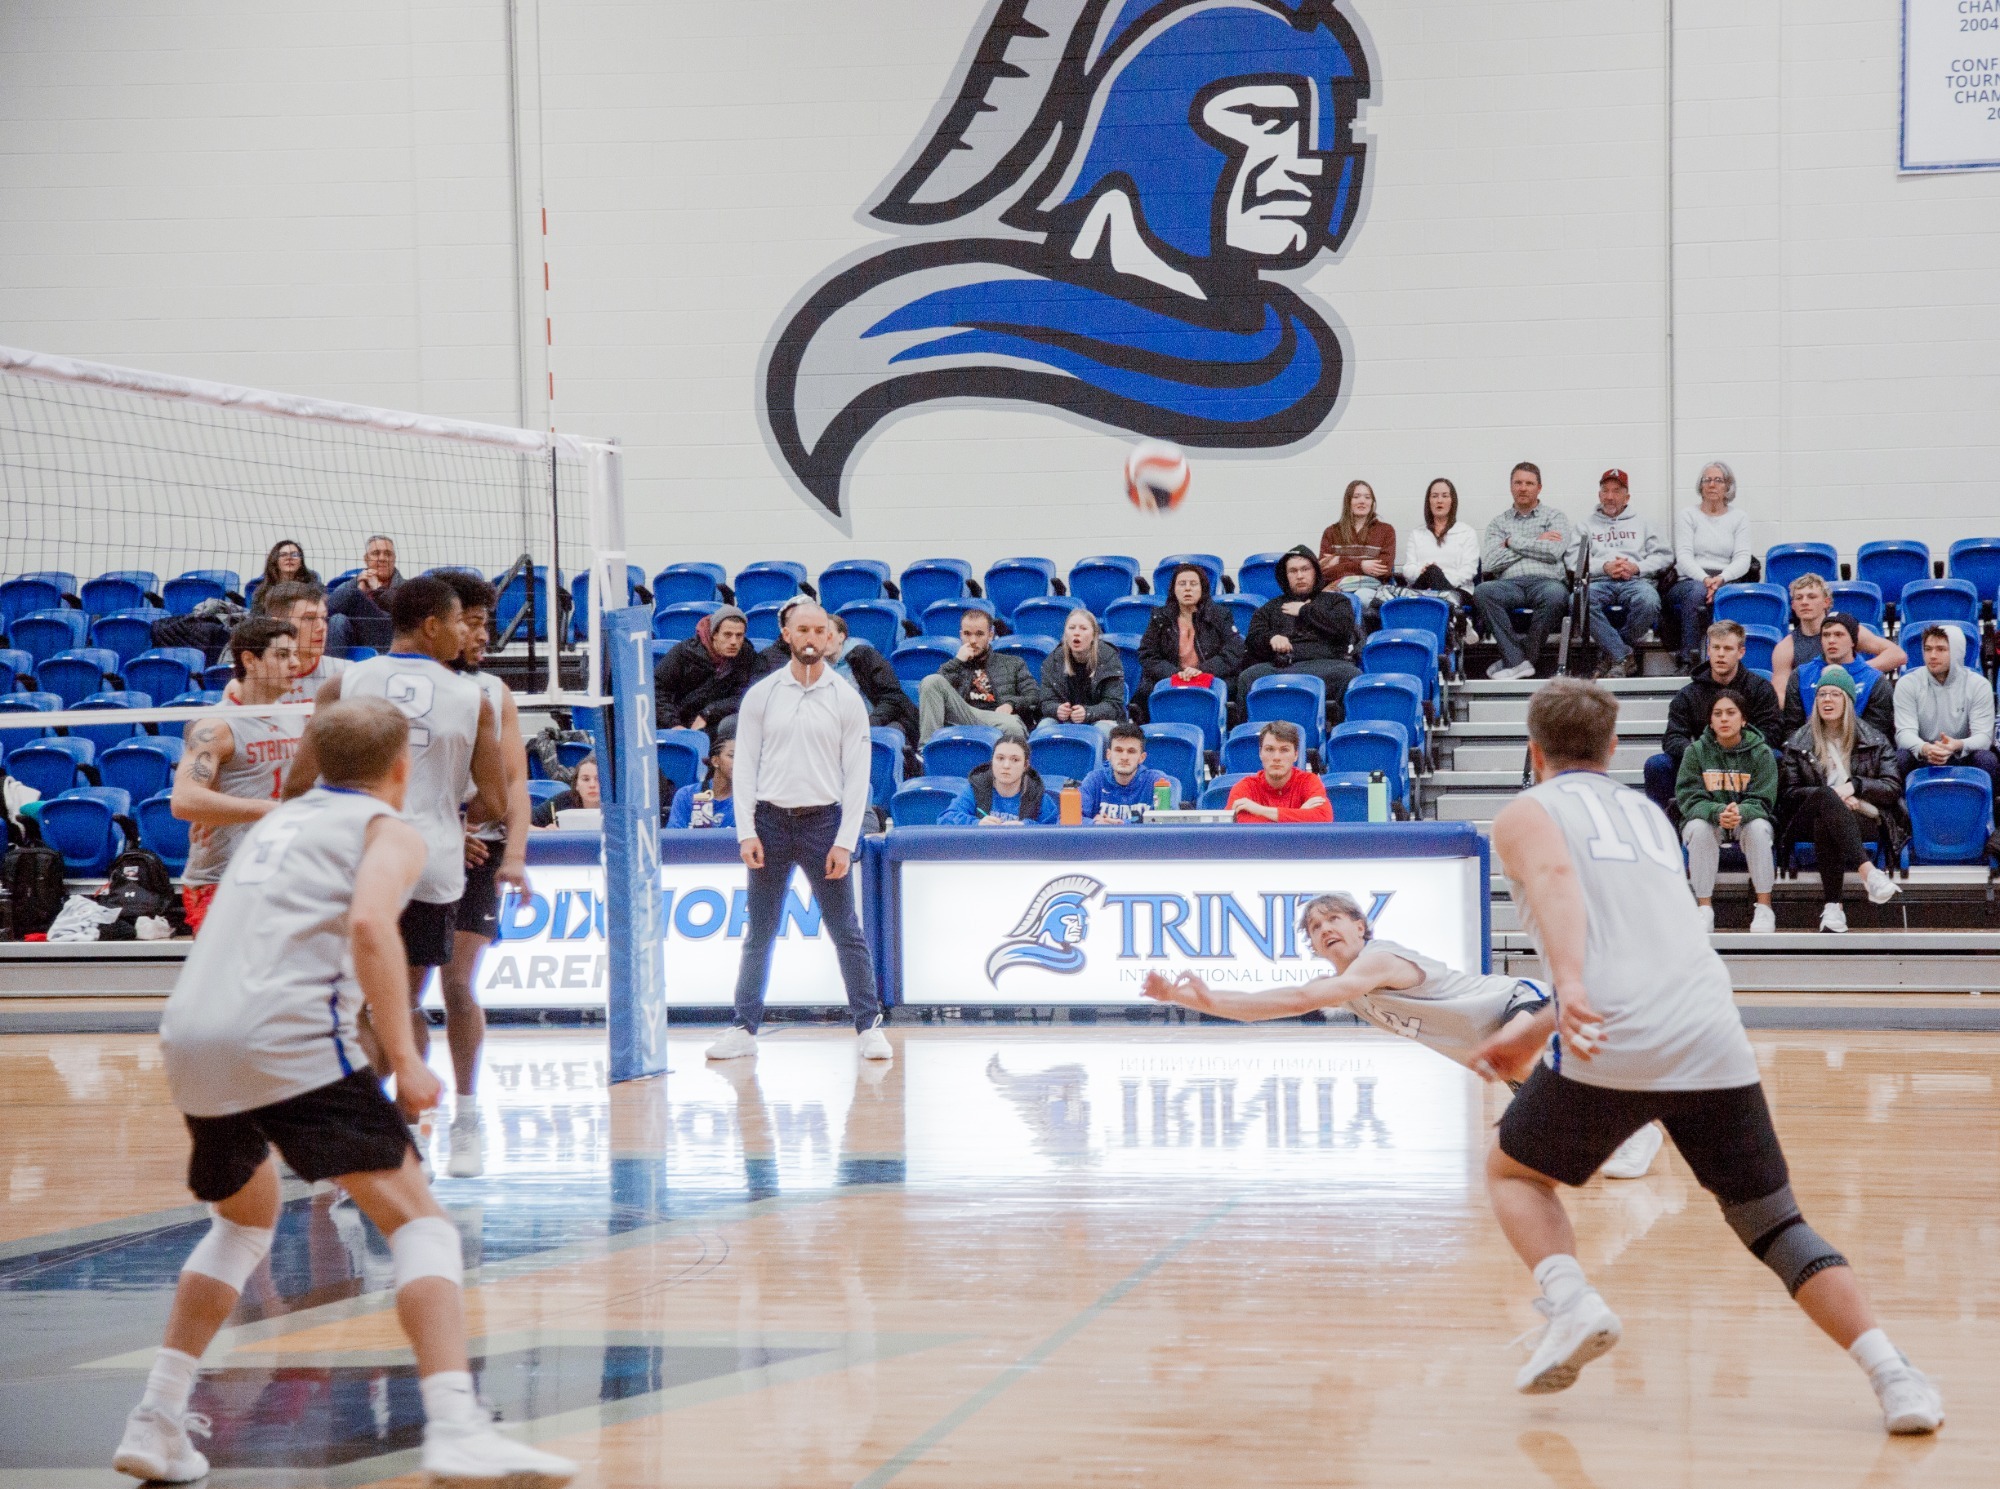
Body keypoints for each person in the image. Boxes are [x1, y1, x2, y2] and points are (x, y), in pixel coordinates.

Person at [117, 698, 578, 1487]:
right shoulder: (389, 830)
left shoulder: (273, 822)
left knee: (242, 1220)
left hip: (191, 1034)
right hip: (285, 1035)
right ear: (402, 769)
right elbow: (371, 927)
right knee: (423, 1226)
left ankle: (157, 1418)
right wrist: (407, 1057)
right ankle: (458, 1427)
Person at [1468, 678, 1941, 1431]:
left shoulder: (1525, 812)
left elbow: (1558, 883)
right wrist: (1535, 1026)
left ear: (1534, 748)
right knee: (1777, 1225)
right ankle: (1896, 1376)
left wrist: (1567, 981)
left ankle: (1571, 1300)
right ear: (1613, 746)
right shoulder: (1651, 819)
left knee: (1511, 1169)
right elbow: (1644, 942)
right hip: (1707, 1024)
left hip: (1611, 1030)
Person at [1137, 891, 1665, 1181]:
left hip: (1515, 1003)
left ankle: (1636, 1122)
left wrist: (1201, 998)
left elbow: (1297, 1001)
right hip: (1495, 1042)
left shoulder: (1379, 958)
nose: (1326, 929)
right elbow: (1263, 1010)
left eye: (1335, 918)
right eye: (1317, 929)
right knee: (1536, 1137)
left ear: (1361, 926)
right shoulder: (1342, 985)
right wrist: (1182, 998)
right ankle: (1633, 1111)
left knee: (1523, 1065)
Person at [286, 577, 513, 1085]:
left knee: (357, 1007)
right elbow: (495, 801)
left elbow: (299, 785)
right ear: (433, 627)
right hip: (428, 863)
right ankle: (410, 1125)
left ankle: (372, 1123)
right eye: (460, 621)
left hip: (351, 858)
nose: (467, 632)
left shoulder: (342, 685)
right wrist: (451, 822)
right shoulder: (471, 696)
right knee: (402, 1002)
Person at [709, 602, 889, 1063]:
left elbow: (858, 775)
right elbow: (744, 767)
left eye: (820, 630)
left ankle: (868, 1026)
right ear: (787, 634)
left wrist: (845, 840)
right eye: (803, 629)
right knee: (760, 931)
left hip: (823, 824)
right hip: (769, 822)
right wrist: (745, 831)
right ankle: (743, 1027)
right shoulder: (762, 695)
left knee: (845, 930)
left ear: (830, 637)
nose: (812, 637)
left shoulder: (847, 698)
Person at [433, 571, 532, 1180]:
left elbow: (514, 781)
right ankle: (393, 1118)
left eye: (485, 623)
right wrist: (443, 832)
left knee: (457, 982)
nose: (480, 634)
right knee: (391, 996)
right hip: (420, 848)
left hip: (480, 852)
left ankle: (466, 1116)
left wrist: (515, 854)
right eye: (469, 621)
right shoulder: (398, 686)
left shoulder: (493, 690)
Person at [172, 617, 304, 935]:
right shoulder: (215, 726)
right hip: (222, 880)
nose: (295, 663)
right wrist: (268, 809)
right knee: (224, 983)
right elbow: (184, 800)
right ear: (250, 660)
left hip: (278, 875)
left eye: (295, 654)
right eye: (282, 655)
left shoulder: (294, 717)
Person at [1777, 667, 1907, 932]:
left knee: (1828, 821)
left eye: (1835, 694)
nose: (1827, 700)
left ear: (1848, 700)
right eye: (1822, 694)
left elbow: (1892, 787)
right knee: (1826, 799)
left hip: (1862, 816)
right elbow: (1789, 795)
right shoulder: (1798, 742)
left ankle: (1833, 908)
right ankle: (1869, 874)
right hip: (1806, 818)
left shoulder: (1875, 739)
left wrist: (1855, 786)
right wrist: (1834, 797)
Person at [1646, 619, 1785, 809]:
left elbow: (1772, 733)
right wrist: (1702, 755)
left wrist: (1738, 751)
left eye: (1728, 648)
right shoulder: (1688, 694)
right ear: (1708, 651)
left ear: (1741, 652)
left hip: (1747, 761)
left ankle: (1772, 827)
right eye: (1716, 647)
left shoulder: (1760, 689)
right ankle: (1664, 829)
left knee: (1776, 757)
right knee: (1657, 765)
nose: (1721, 654)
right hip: (1702, 764)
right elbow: (1673, 738)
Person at [1675, 690, 1779, 934]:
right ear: (1710, 720)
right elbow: (1688, 797)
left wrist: (1740, 811)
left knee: (1758, 829)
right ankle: (1704, 909)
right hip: (1710, 819)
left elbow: (1764, 800)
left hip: (1747, 818)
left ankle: (1764, 907)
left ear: (1743, 720)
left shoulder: (1761, 752)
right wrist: (1717, 811)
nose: (1724, 719)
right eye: (1717, 713)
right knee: (1698, 829)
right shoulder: (1695, 752)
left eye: (1731, 713)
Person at [1473, 462, 1572, 680]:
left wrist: (1511, 542)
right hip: (1510, 584)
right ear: (1511, 487)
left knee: (1557, 595)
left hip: (1547, 582)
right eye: (1518, 483)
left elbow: (1554, 551)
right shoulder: (1499, 523)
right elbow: (1491, 562)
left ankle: (1516, 659)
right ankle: (1519, 660)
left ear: (1539, 487)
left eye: (1529, 483)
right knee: (1483, 592)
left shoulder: (1555, 517)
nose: (1523, 488)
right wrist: (1537, 541)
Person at [1237, 544, 1360, 715]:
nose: (1300, 576)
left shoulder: (1336, 601)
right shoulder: (1270, 608)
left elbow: (1343, 628)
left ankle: (1344, 735)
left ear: (1315, 572)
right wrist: (1271, 638)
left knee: (1352, 675)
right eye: (1293, 571)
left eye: (1305, 569)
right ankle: (1246, 735)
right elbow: (1253, 639)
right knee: (1247, 677)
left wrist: (1304, 611)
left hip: (1327, 665)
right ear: (1285, 576)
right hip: (1282, 666)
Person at [1573, 469, 1669, 679]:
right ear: (1599, 495)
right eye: (1605, 491)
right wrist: (1604, 566)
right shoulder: (1585, 525)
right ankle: (1623, 655)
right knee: (1578, 600)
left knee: (1649, 601)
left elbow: (1664, 557)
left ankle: (1612, 654)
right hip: (1600, 581)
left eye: (1616, 491)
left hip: (1635, 580)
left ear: (1627, 497)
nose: (1609, 496)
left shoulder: (1645, 522)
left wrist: (1637, 567)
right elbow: (1573, 561)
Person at [1893, 624, 2000, 800]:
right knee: (1899, 759)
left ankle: (1990, 819)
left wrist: (1956, 745)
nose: (1932, 655)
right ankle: (1898, 822)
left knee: (1987, 759)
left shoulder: (1978, 685)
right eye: (1928, 649)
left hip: (1962, 753)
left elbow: (1984, 737)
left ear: (1957, 651)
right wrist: (1925, 748)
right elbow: (1904, 733)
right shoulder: (1907, 684)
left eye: (1941, 649)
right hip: (1922, 754)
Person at [1666, 461, 1752, 667]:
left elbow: (1743, 558)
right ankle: (1690, 660)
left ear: (1727, 486)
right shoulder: (1688, 515)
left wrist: (1721, 579)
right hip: (1690, 580)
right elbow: (1684, 556)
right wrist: (1706, 580)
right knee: (1696, 592)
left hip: (1726, 578)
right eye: (1707, 480)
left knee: (1730, 594)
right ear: (1701, 486)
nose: (1712, 485)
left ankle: (1732, 662)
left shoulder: (1739, 518)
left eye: (1718, 480)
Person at [1771, 574, 1903, 703]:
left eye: (1811, 597)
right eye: (1799, 598)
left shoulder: (1846, 631)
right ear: (1793, 605)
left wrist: (1854, 670)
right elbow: (1780, 695)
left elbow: (1897, 655)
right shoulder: (1786, 647)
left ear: (1826, 602)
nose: (1804, 602)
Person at [918, 607, 1036, 743]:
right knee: (930, 680)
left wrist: (1011, 704)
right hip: (962, 715)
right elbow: (933, 693)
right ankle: (927, 751)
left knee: (1012, 726)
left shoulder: (1013, 663)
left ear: (990, 635)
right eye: (967, 634)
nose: (973, 640)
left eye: (979, 634)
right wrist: (958, 662)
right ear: (961, 635)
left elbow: (1033, 695)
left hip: (996, 718)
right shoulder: (955, 665)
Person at [1780, 612, 1897, 740]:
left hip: (1860, 753)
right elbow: (1792, 728)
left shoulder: (1874, 680)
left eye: (1839, 635)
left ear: (1853, 640)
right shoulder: (1801, 675)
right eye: (1826, 635)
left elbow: (1876, 733)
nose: (1831, 640)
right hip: (1810, 751)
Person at [1136, 563, 1244, 698]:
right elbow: (1147, 654)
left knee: (1232, 687)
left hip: (1210, 676)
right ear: (1174, 590)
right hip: (1172, 677)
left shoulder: (1220, 615)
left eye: (1193, 584)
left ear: (1202, 589)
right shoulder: (1160, 617)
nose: (1187, 589)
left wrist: (1201, 670)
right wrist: (1174, 673)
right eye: (1182, 584)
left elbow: (1234, 650)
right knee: (1145, 690)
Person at [654, 604, 756, 734]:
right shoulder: (684, 653)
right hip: (675, 721)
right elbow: (658, 689)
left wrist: (708, 712)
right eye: (727, 635)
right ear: (714, 634)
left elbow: (746, 694)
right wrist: (674, 724)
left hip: (714, 722)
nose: (734, 642)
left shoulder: (747, 655)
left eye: (739, 635)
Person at [243, 580, 350, 704]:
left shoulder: (346, 673)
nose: (321, 627)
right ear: (279, 624)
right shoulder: (256, 681)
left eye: (323, 618)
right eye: (309, 618)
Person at [828, 612, 921, 741]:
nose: (823, 639)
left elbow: (893, 697)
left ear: (841, 636)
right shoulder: (815, 669)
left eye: (829, 634)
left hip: (884, 723)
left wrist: (869, 725)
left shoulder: (863, 655)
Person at [1316, 478, 1396, 622]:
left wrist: (1339, 561)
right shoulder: (1332, 532)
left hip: (1370, 588)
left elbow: (1384, 569)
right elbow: (1323, 571)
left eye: (1367, 497)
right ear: (1348, 501)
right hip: (1338, 587)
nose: (1362, 501)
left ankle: (1360, 641)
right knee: (1336, 601)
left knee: (1361, 597)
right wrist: (1361, 566)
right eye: (1356, 496)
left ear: (1372, 502)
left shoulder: (1386, 530)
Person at [1038, 607, 1128, 734]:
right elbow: (1045, 701)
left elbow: (1114, 705)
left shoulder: (1109, 657)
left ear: (1094, 635)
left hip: (1102, 719)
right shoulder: (1053, 660)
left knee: (1101, 731)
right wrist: (1057, 709)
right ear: (1065, 634)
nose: (1076, 633)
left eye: (1083, 628)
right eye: (1072, 628)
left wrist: (1088, 713)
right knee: (1044, 726)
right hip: (1066, 719)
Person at [937, 735, 1059, 825]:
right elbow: (945, 819)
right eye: (1000, 758)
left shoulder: (1038, 795)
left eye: (1015, 760)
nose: (1006, 765)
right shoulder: (976, 788)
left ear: (1025, 766)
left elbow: (1055, 834)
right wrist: (976, 824)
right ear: (992, 761)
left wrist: (1026, 827)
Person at [1224, 720, 1331, 822]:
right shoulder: (1244, 788)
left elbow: (1324, 817)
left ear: (1296, 755)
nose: (1276, 757)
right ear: (1260, 753)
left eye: (1284, 750)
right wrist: (1300, 815)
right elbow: (1238, 823)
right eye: (1270, 749)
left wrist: (1260, 810)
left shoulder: (1309, 782)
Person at [1399, 477, 1479, 608]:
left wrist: (1440, 577)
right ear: (1428, 501)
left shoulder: (1466, 532)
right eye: (1434, 496)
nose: (1439, 500)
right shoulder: (1417, 533)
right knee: (1430, 572)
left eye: (1445, 496)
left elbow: (1469, 571)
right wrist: (1422, 571)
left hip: (1457, 592)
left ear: (1452, 501)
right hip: (1423, 589)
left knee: (1433, 572)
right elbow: (1408, 570)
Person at [1078, 722, 1176, 821]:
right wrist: (1095, 824)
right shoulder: (1094, 780)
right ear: (1108, 755)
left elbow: (1168, 821)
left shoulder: (1157, 781)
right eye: (1118, 750)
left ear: (1142, 758)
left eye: (1131, 751)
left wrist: (1121, 825)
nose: (1124, 757)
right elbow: (1069, 820)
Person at [325, 534, 402, 654]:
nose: (382, 558)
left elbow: (403, 615)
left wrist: (378, 589)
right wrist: (357, 586)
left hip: (388, 639)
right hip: (352, 638)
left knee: (354, 597)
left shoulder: (407, 587)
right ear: (366, 559)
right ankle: (335, 669)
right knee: (337, 620)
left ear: (394, 558)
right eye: (376, 553)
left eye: (387, 554)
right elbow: (329, 608)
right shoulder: (352, 583)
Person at [667, 732, 737, 829]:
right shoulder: (686, 795)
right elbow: (674, 839)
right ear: (715, 761)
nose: (739, 761)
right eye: (732, 756)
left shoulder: (750, 799)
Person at [533, 753, 602, 827]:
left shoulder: (615, 805)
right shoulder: (563, 800)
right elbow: (524, 824)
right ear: (576, 784)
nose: (592, 785)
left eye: (598, 779)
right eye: (586, 779)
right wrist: (545, 832)